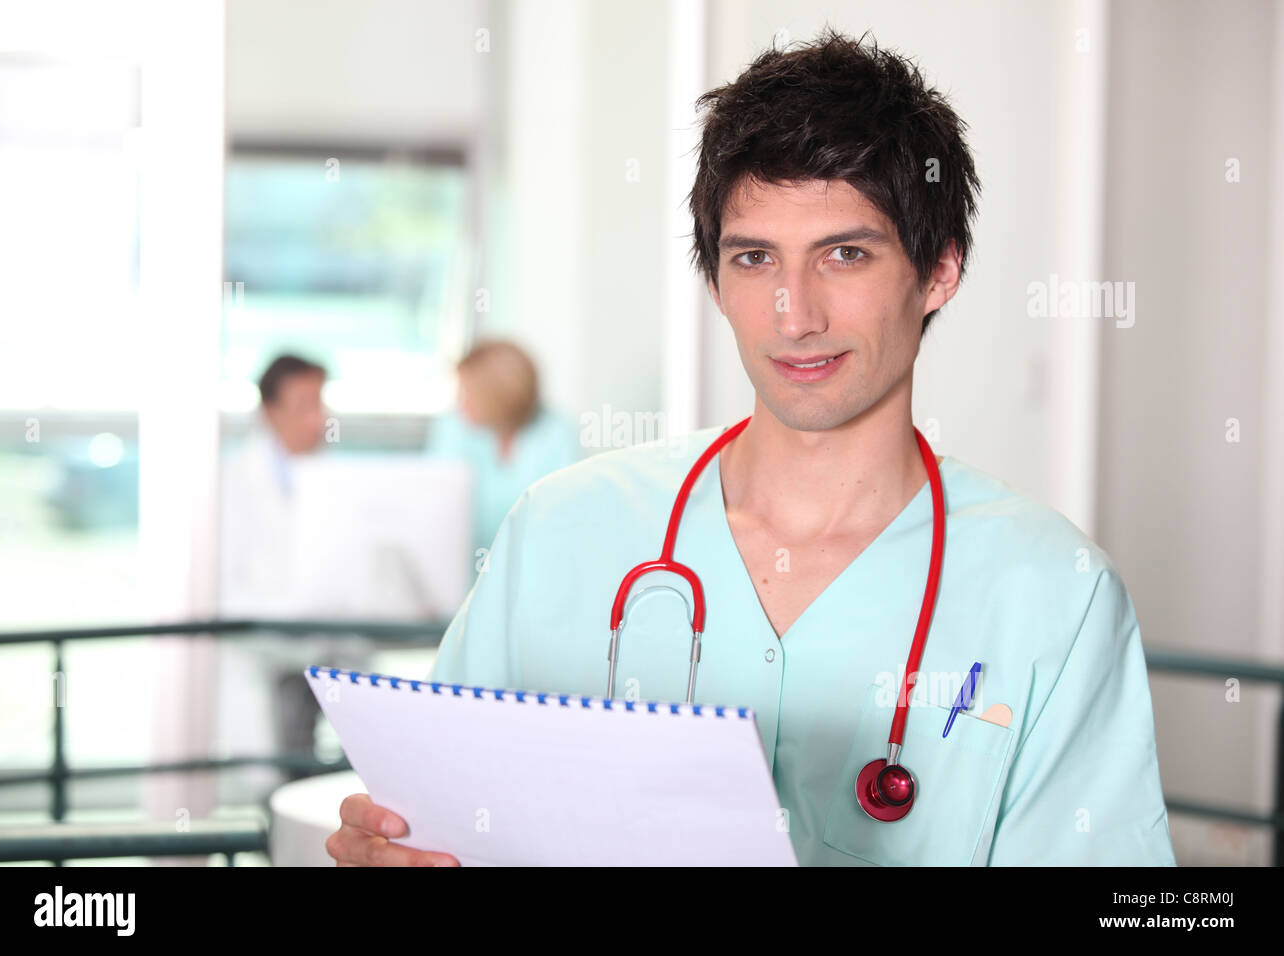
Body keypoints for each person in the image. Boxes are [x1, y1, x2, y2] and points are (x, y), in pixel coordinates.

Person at [325, 29, 1176, 866]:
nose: (793, 314)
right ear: (715, 281)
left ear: (939, 270)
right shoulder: (559, 534)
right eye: (755, 257)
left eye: (846, 254)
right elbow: (437, 816)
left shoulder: (1054, 598)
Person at [216, 353, 368, 790]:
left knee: (354, 781)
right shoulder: (234, 482)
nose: (319, 418)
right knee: (282, 783)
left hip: (334, 648)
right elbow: (229, 588)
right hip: (269, 654)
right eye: (305, 405)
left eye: (322, 403)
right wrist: (297, 608)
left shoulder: (338, 478)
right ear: (270, 412)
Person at [424, 339, 578, 561]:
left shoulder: (556, 431)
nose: (461, 402)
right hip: (463, 566)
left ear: (497, 395)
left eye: (467, 393)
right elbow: (436, 499)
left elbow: (564, 515)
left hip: (536, 565)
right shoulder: (452, 427)